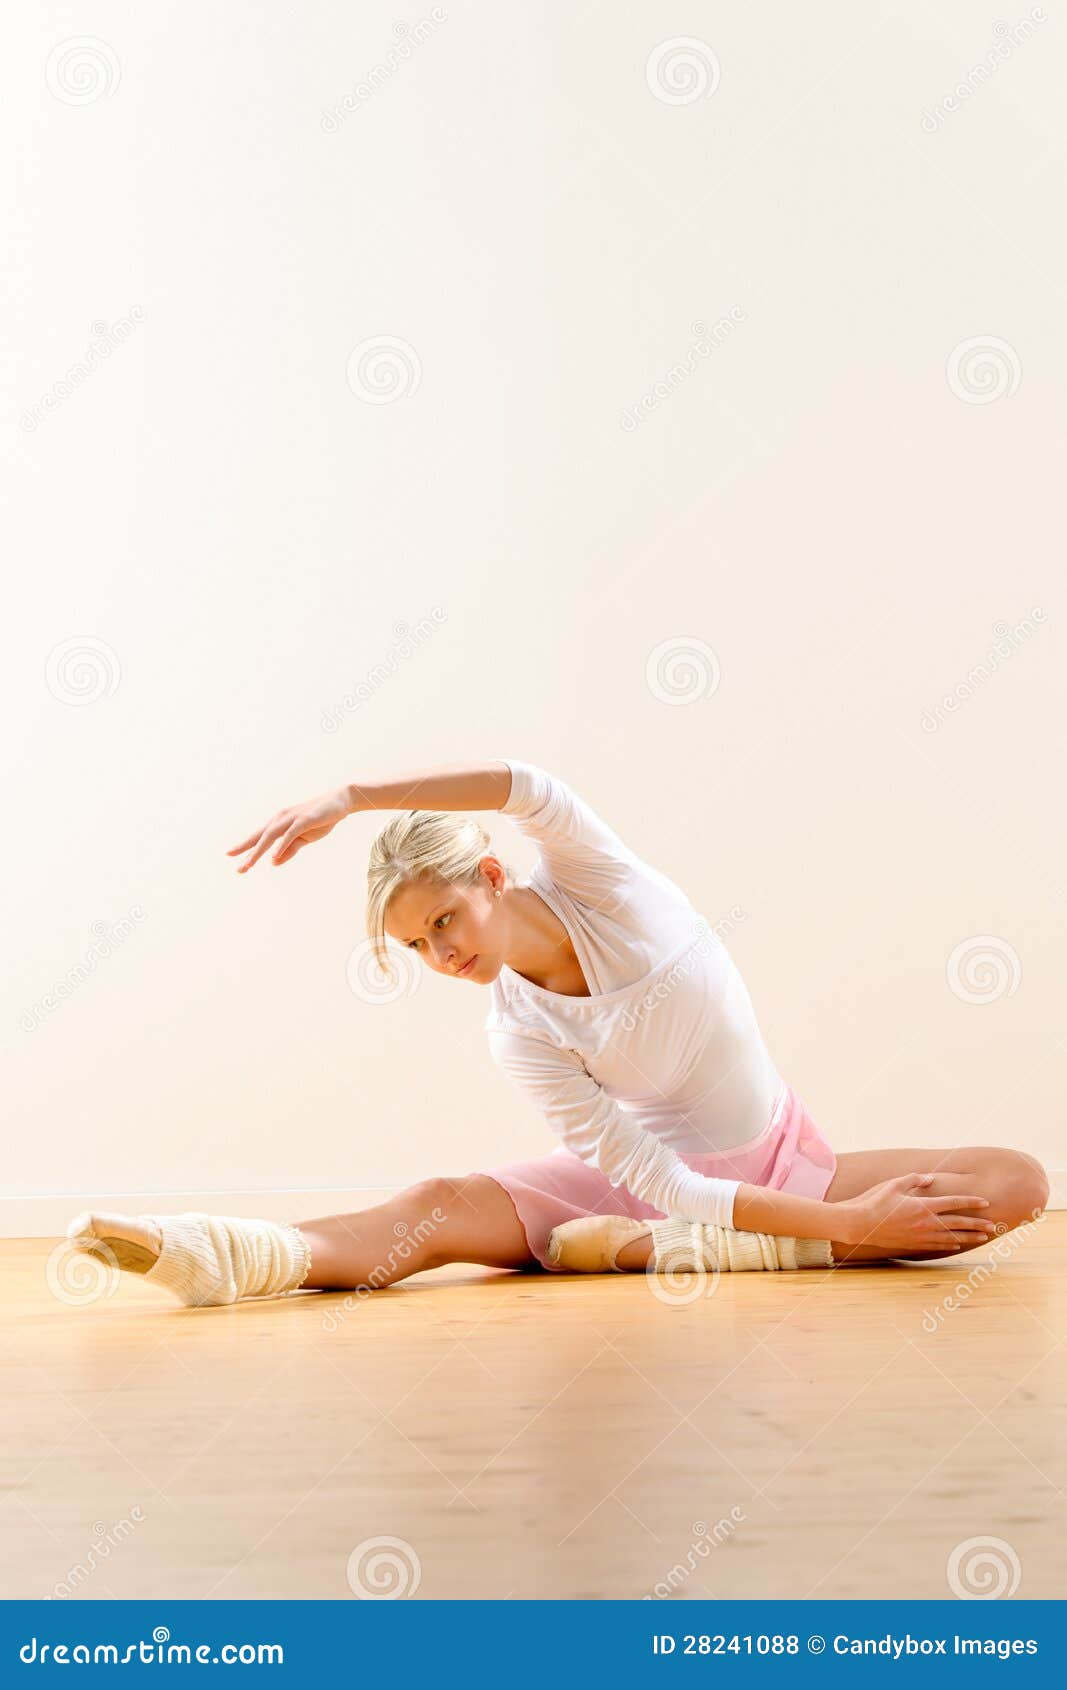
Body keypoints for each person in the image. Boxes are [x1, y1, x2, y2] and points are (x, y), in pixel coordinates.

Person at [66, 759, 1048, 1306]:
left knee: (1014, 1181)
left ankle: (634, 1253)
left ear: (489, 875)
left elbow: (523, 783)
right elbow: (664, 1180)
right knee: (432, 1211)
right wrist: (848, 1231)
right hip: (653, 1187)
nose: (439, 955)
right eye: (414, 947)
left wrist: (356, 797)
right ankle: (209, 1250)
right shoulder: (517, 1029)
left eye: (442, 921)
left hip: (780, 1162)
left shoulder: (600, 880)